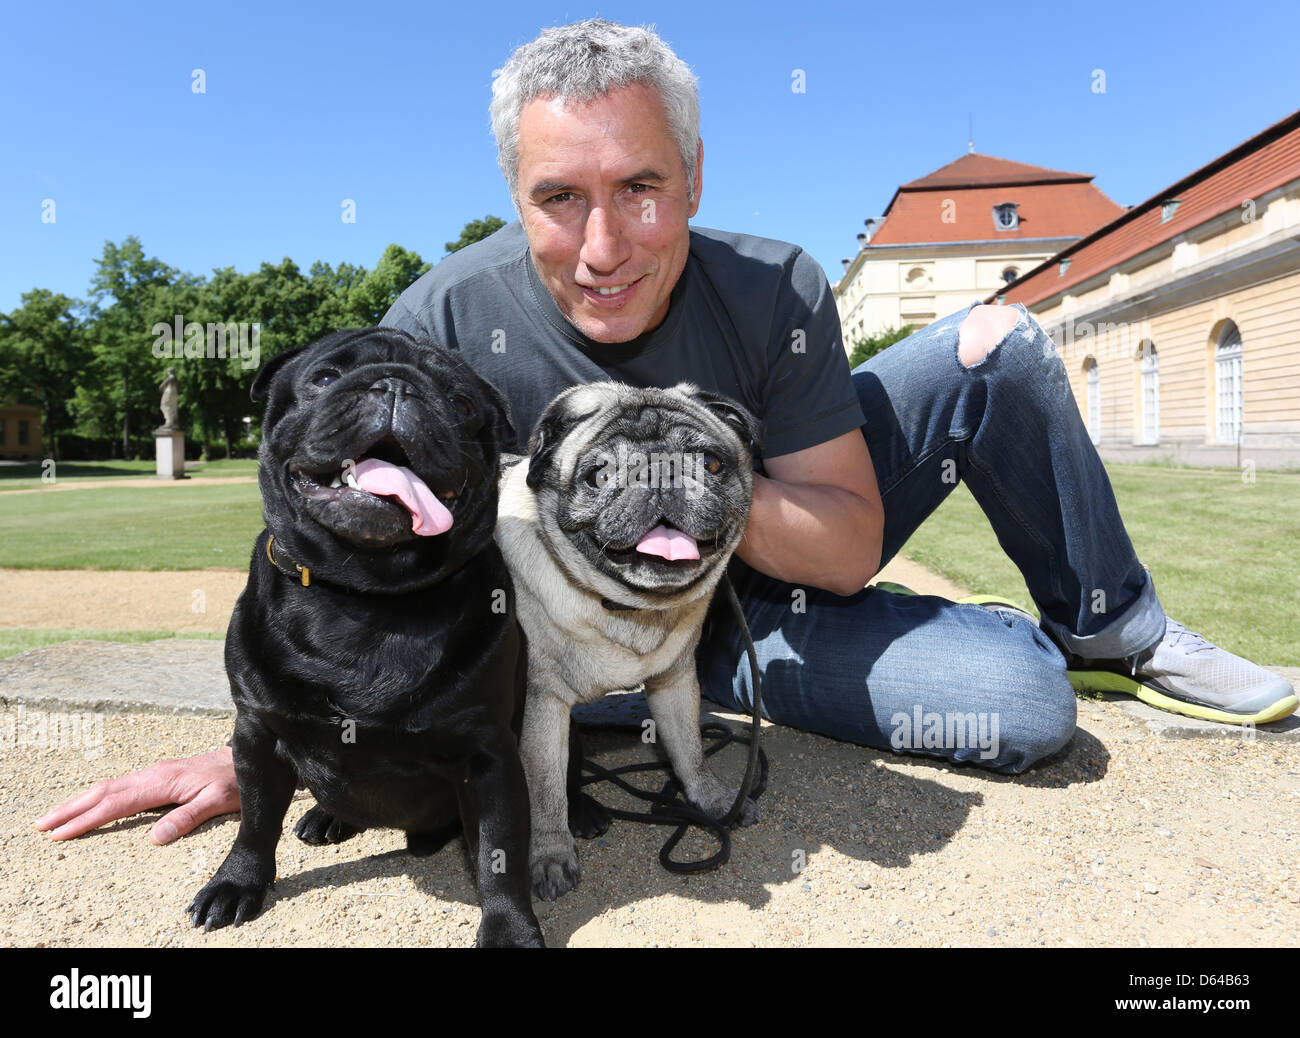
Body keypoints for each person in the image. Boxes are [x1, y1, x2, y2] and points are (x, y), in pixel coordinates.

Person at [37, 19, 1295, 846]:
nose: (602, 249)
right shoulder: (434, 322)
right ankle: (651, 698)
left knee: (998, 343)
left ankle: (1112, 624)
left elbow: (848, 544)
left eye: (641, 189)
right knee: (1015, 708)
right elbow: (355, 552)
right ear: (511, 197)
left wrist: (668, 484)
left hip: (775, 583)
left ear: (692, 177)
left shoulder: (777, 284)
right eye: (559, 199)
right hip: (593, 640)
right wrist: (280, 748)